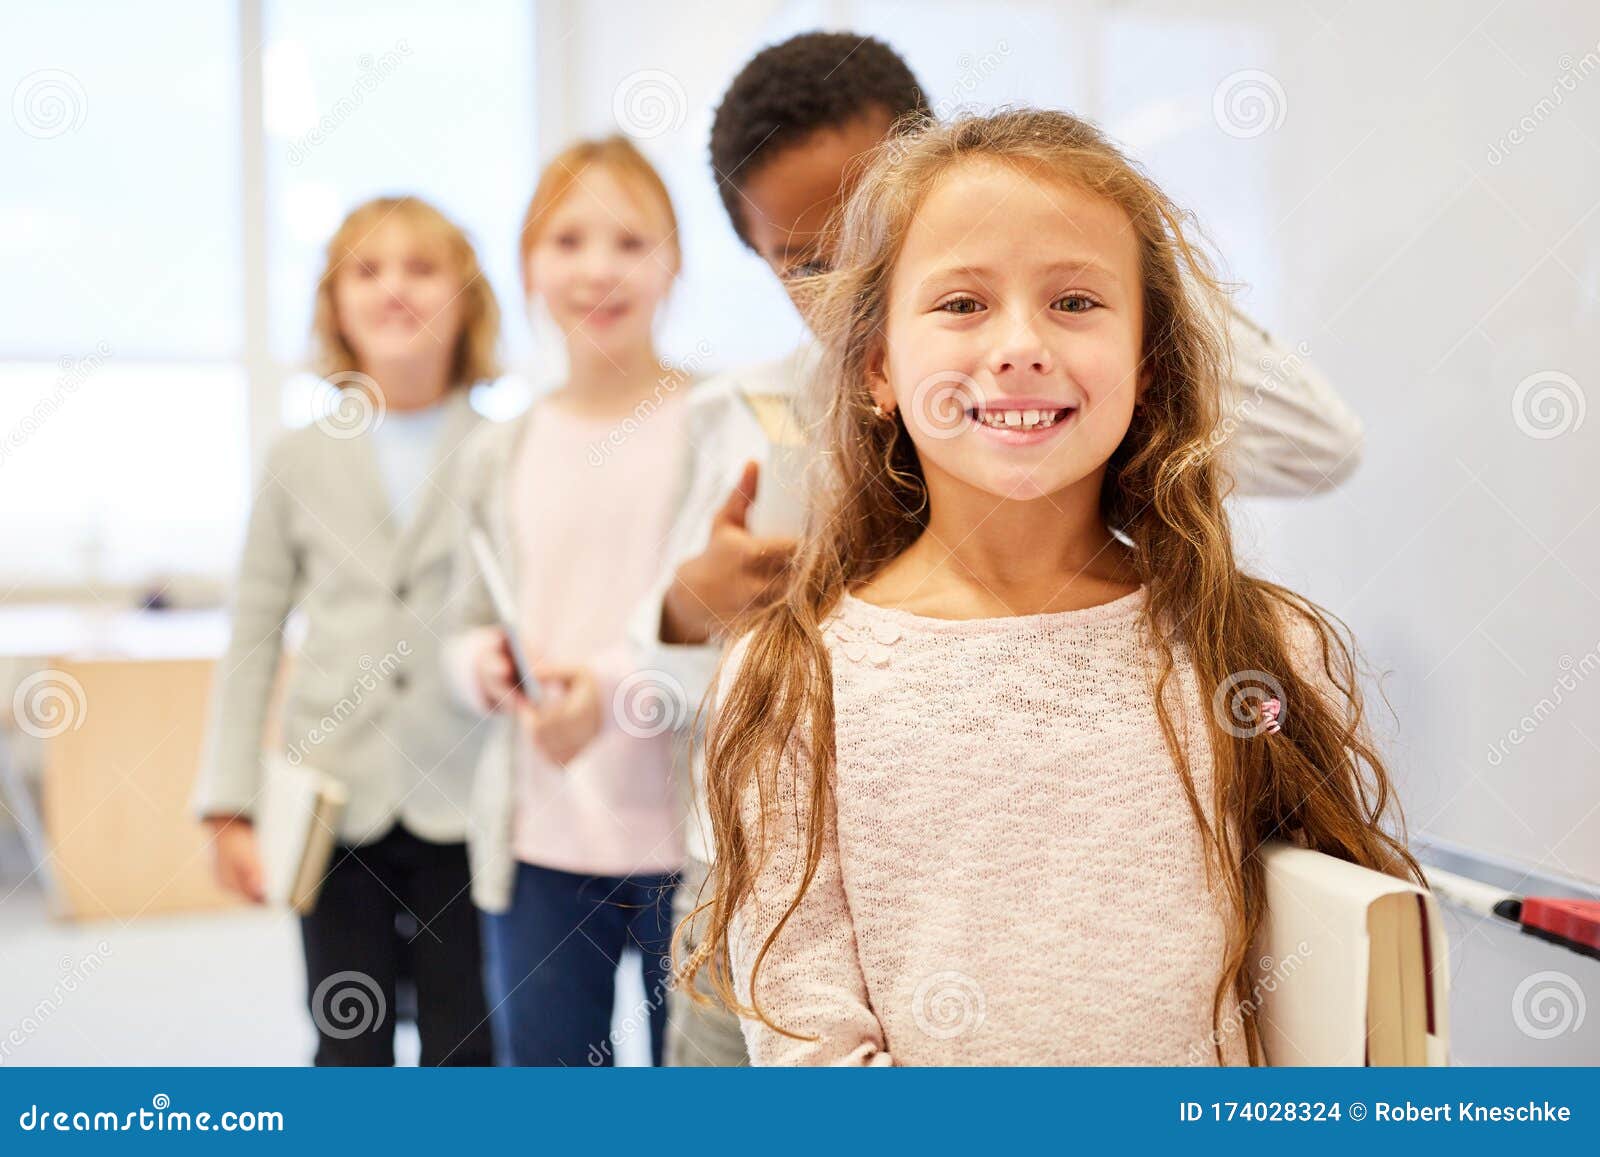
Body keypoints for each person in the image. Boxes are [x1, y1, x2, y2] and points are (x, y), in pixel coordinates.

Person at [637, 32, 1368, 1067]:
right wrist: (684, 607)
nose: (1014, 345)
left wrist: (1049, 237)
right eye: (811, 263)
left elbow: (1318, 440)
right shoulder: (736, 437)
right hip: (770, 897)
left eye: (872, 235)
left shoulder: (1250, 644)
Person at [194, 195, 500, 1066]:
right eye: (367, 270)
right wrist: (228, 802)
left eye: (421, 267)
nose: (394, 288)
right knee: (346, 1036)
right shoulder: (296, 457)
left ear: (467, 298)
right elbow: (252, 630)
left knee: (467, 1037)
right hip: (332, 800)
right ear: (332, 304)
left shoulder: (502, 445)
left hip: (468, 792)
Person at [445, 137, 688, 1066]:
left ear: (674, 263)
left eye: (631, 242)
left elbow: (747, 620)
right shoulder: (497, 449)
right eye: (568, 241)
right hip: (539, 838)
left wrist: (610, 686)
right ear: (526, 266)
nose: (598, 269)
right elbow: (462, 621)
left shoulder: (722, 424)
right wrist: (486, 668)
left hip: (695, 843)